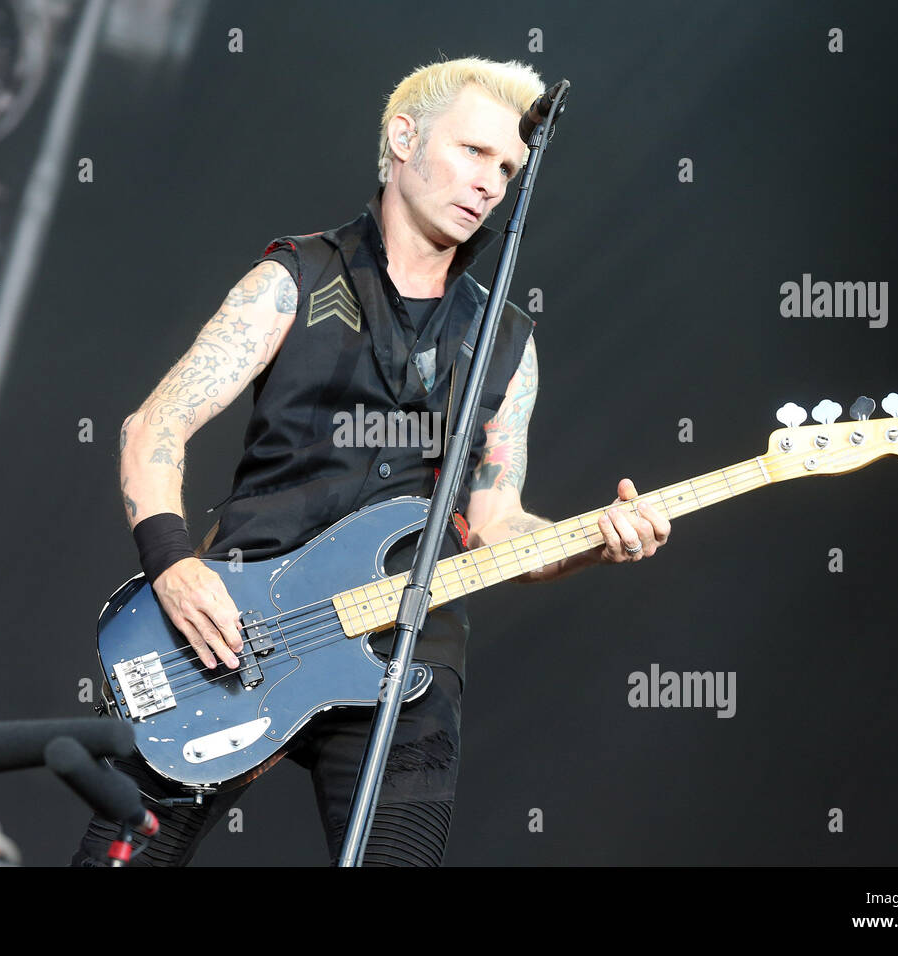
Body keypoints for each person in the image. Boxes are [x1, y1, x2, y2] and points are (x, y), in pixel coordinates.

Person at [71, 56, 671, 867]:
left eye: (507, 167)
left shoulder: (505, 343)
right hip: (240, 625)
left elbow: (496, 525)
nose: (490, 183)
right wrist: (174, 566)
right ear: (403, 137)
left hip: (405, 657)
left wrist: (595, 539)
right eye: (472, 152)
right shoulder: (293, 279)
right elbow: (155, 426)